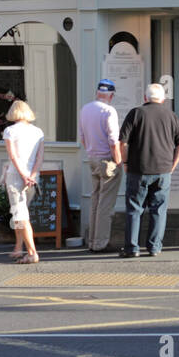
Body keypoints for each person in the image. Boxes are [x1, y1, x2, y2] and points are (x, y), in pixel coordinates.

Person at [119, 83, 179, 257]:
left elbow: (122, 142)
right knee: (159, 209)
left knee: (134, 209)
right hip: (163, 170)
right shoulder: (171, 116)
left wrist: (125, 162)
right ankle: (154, 247)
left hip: (138, 169)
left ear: (145, 98)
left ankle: (132, 248)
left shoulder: (136, 113)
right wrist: (172, 165)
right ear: (163, 99)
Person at [80, 79, 124, 252]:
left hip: (92, 158)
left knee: (96, 200)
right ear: (111, 95)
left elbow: (82, 137)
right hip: (108, 159)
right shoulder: (109, 111)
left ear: (97, 93)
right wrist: (119, 161)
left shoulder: (85, 109)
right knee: (105, 204)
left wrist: (92, 152)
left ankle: (92, 241)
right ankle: (101, 243)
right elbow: (114, 141)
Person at [2, 99, 44, 264]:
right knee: (20, 213)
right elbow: (40, 157)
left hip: (15, 175)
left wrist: (22, 174)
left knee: (21, 216)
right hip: (33, 178)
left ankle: (32, 252)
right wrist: (32, 175)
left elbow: (13, 156)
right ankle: (18, 247)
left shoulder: (10, 131)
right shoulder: (38, 132)